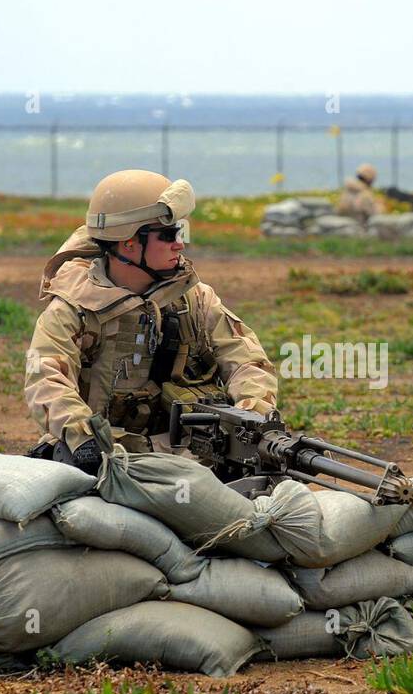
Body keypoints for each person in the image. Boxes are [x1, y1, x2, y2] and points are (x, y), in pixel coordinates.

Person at [24, 169, 278, 474]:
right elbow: (46, 381)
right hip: (106, 456)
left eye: (180, 232)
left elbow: (246, 361)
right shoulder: (73, 309)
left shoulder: (194, 299)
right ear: (128, 243)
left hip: (189, 456)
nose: (180, 244)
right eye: (168, 235)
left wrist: (253, 415)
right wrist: (82, 437)